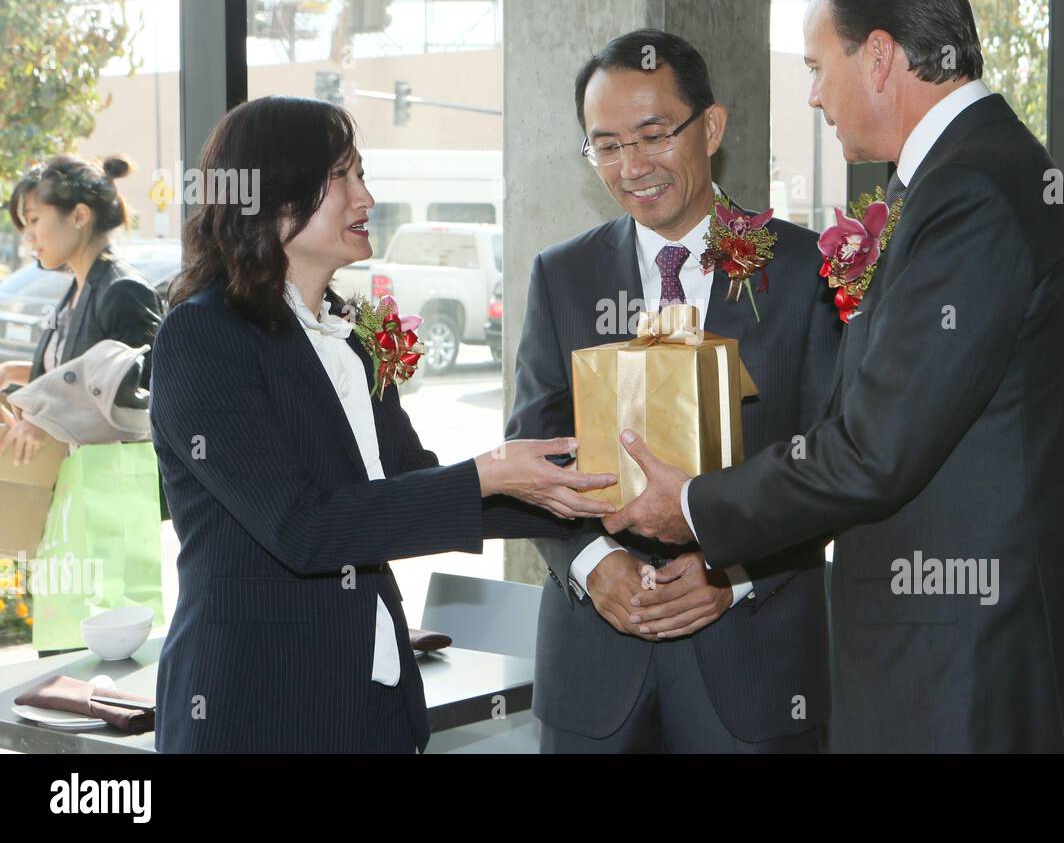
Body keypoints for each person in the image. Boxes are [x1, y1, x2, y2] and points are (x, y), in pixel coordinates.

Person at [604, 0, 1064, 753]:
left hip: (962, 667)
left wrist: (697, 503)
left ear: (878, 56)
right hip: (955, 646)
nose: (811, 94)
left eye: (816, 65)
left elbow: (876, 448)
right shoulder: (971, 172)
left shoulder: (970, 193)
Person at [149, 95, 614, 753]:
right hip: (258, 703)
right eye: (343, 175)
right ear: (275, 193)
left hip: (372, 694)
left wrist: (594, 493)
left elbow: (412, 486)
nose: (366, 196)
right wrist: (488, 474)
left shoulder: (349, 335)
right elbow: (303, 528)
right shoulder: (204, 337)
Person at [505, 30, 839, 752]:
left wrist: (736, 568)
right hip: (595, 669)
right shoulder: (562, 276)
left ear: (711, 127)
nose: (633, 167)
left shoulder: (808, 268)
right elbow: (532, 455)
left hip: (756, 664)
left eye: (653, 136)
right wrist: (595, 566)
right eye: (607, 146)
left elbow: (834, 459)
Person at [0, 154, 164, 657]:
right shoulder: (75, 290)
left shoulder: (123, 289)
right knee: (71, 634)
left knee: (100, 640)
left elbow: (137, 390)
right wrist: (19, 380)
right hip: (78, 485)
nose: (29, 235)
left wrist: (46, 419)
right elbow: (85, 370)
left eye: (34, 219)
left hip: (106, 488)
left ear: (79, 215)